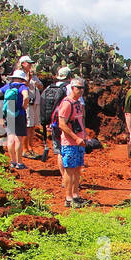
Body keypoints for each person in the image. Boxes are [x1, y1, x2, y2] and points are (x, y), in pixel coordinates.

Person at [55, 77, 90, 207]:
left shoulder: (78, 104)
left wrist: (83, 136)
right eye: (78, 88)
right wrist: (76, 138)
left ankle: (75, 195)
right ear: (72, 88)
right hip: (70, 143)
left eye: (82, 88)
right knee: (69, 170)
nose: (80, 90)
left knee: (77, 170)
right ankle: (68, 198)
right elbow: (62, 124)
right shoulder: (67, 103)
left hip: (79, 142)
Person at [0, 69, 31, 170]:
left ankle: (12, 162)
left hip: (8, 114)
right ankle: (20, 163)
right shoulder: (22, 87)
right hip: (19, 114)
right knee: (18, 140)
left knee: (10, 138)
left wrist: (2, 107)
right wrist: (24, 106)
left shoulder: (8, 86)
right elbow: (26, 97)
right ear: (22, 79)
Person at [40, 65, 71, 158]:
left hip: (53, 121)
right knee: (68, 145)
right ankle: (68, 169)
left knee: (58, 148)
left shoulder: (49, 87)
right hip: (66, 121)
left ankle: (61, 165)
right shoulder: (69, 88)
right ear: (69, 76)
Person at [20, 56, 46, 160]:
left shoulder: (33, 74)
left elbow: (41, 86)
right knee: (27, 126)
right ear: (22, 63)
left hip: (35, 102)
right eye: (28, 63)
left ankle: (30, 148)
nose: (30, 65)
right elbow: (21, 86)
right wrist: (29, 78)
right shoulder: (20, 74)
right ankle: (25, 149)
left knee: (33, 126)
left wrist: (38, 84)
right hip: (27, 103)